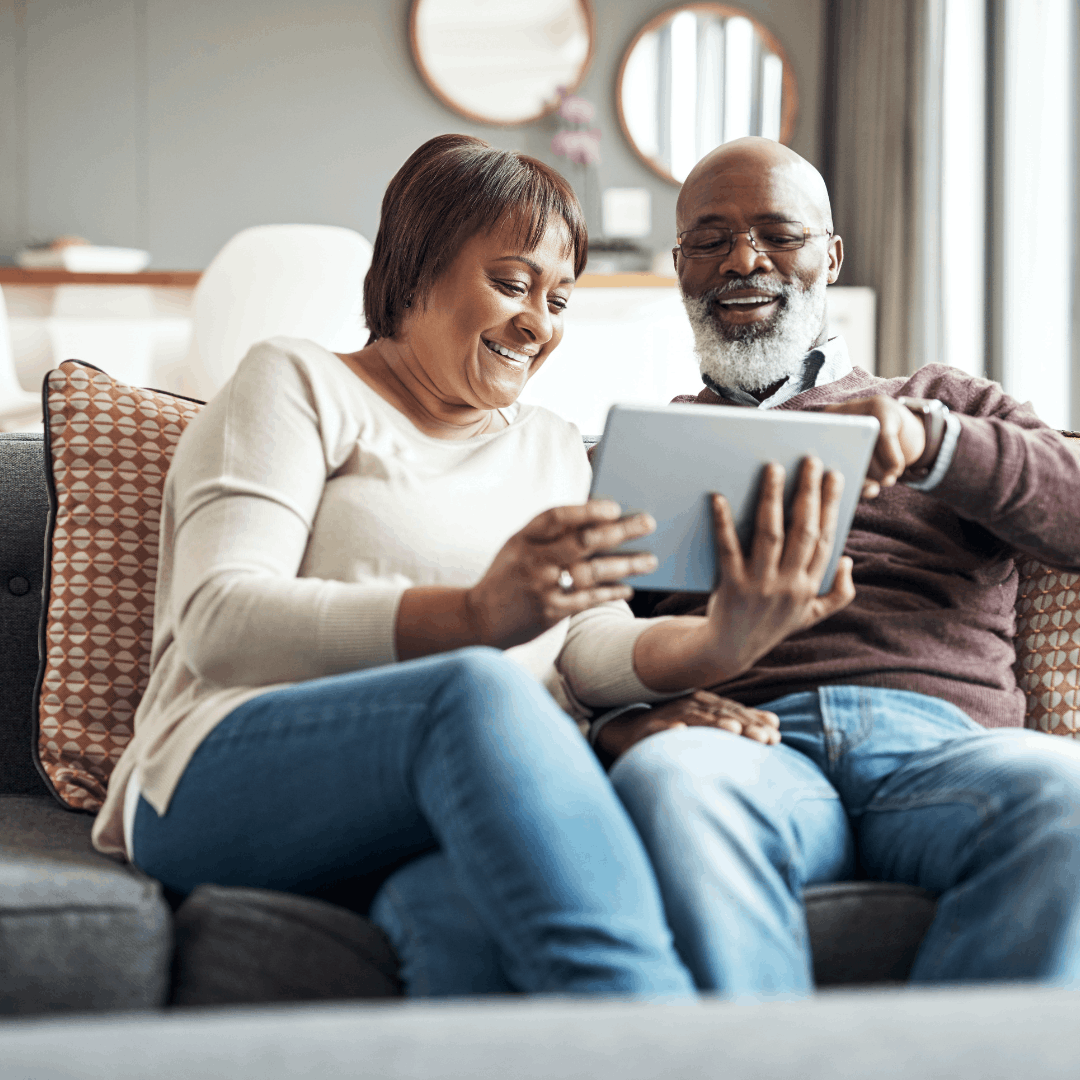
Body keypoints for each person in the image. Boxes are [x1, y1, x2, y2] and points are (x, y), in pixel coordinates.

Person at [89, 134, 854, 998]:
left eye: (561, 298)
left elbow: (586, 645)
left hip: (430, 805)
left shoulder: (554, 448)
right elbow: (220, 625)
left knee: (462, 920)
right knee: (475, 684)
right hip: (216, 775)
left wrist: (722, 639)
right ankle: (687, 1048)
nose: (540, 323)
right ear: (415, 269)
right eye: (513, 283)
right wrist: (476, 619)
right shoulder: (295, 383)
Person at [374, 136, 1080, 997]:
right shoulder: (626, 451)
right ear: (679, 268)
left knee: (1068, 795)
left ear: (831, 254)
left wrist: (939, 443)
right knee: (670, 782)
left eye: (778, 234)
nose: (743, 260)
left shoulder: (945, 402)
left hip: (943, 746)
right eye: (709, 241)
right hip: (740, 743)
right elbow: (576, 645)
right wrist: (611, 729)